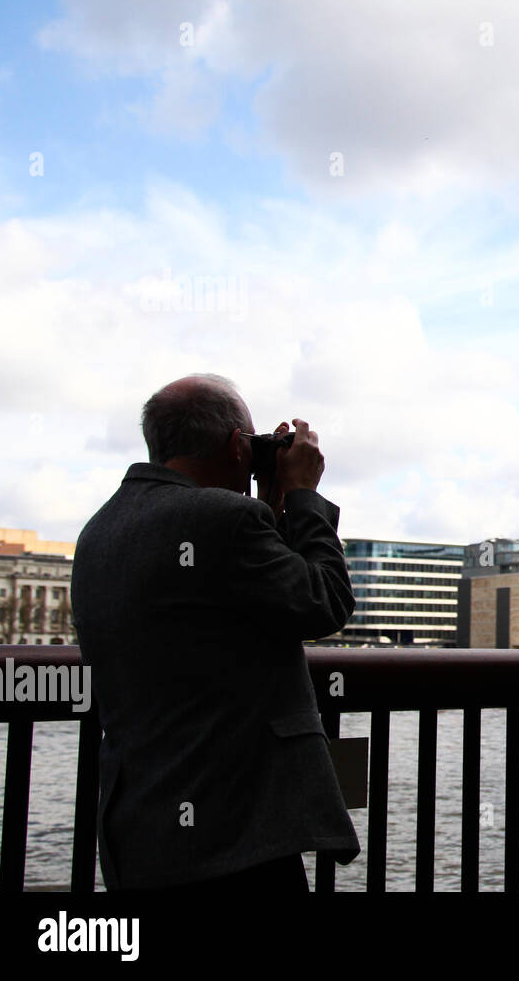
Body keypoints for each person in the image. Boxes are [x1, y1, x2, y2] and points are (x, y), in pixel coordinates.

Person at [71, 373, 360, 891]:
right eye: (251, 445)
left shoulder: (100, 530)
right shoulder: (223, 519)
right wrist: (302, 497)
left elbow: (237, 600)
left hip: (139, 829)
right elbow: (325, 603)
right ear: (234, 445)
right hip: (235, 836)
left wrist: (269, 504)